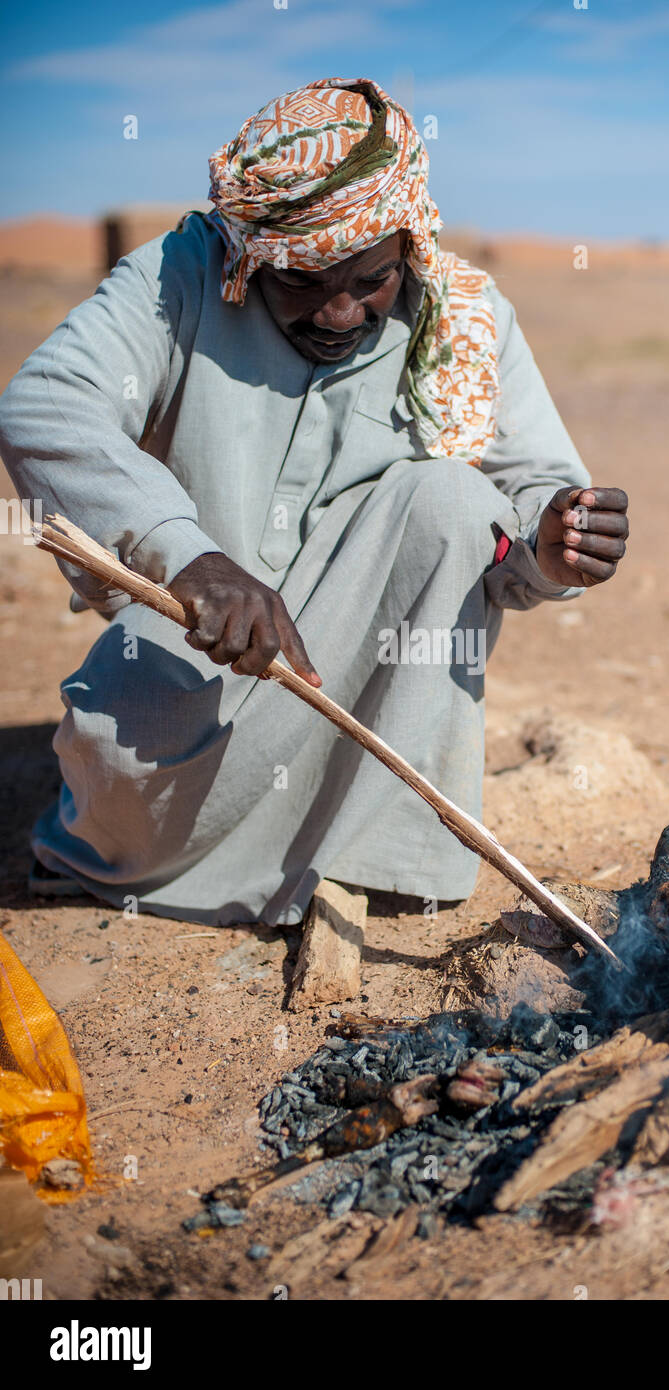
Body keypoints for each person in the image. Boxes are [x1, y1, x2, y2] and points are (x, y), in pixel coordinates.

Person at [0, 78, 628, 927]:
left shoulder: (464, 321)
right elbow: (44, 405)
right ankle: (138, 864)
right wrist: (189, 557)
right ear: (250, 252)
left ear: (408, 244)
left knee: (446, 498)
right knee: (129, 755)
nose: (339, 313)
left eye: (369, 282)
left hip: (355, 701)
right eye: (300, 280)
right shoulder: (182, 275)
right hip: (182, 726)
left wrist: (552, 548)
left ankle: (371, 861)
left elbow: (528, 509)